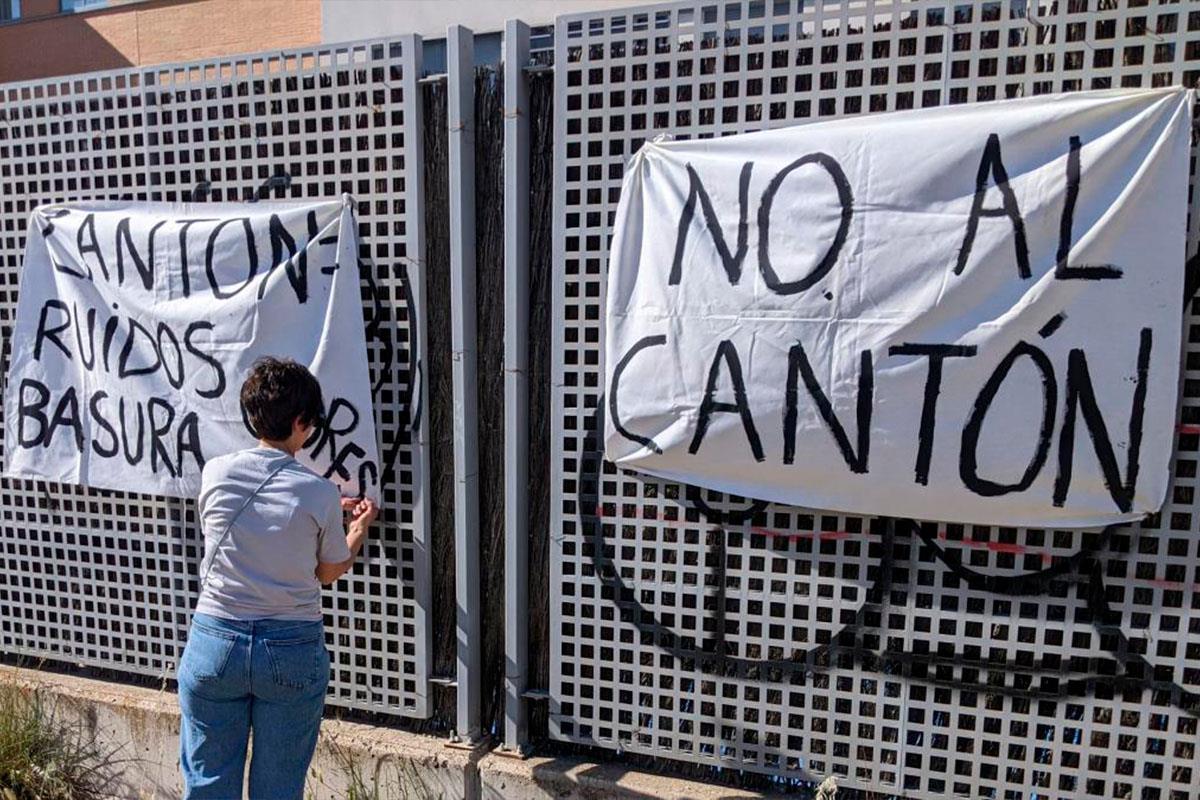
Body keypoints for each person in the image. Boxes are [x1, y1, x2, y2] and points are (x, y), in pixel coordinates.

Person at [176, 356, 378, 800]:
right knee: (278, 788)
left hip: (215, 644)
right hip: (290, 649)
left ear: (251, 417)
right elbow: (328, 571)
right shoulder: (319, 492)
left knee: (208, 781)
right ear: (302, 422)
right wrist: (356, 530)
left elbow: (253, 525)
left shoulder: (214, 474)